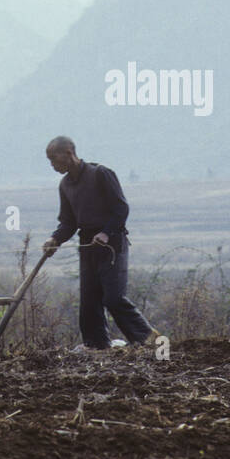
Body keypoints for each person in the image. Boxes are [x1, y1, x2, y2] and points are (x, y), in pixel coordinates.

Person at [42, 135, 158, 350]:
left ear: (69, 153)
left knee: (113, 298)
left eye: (54, 159)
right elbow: (68, 223)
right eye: (49, 161)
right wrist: (55, 239)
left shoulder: (101, 174)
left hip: (111, 243)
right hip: (87, 244)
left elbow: (121, 208)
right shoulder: (65, 185)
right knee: (89, 301)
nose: (52, 165)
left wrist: (105, 233)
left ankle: (150, 340)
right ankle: (96, 346)